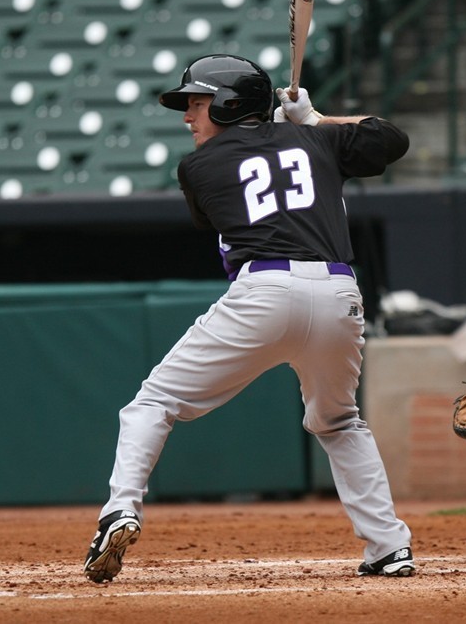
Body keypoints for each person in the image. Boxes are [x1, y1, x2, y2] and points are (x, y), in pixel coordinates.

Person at [83, 54, 414, 582]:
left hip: (263, 292)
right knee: (339, 420)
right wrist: (313, 120)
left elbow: (233, 193)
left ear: (230, 104)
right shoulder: (317, 141)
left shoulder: (198, 167)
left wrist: (289, 134)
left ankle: (120, 509)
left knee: (155, 402)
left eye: (198, 103)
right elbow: (389, 138)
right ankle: (389, 547)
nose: (188, 116)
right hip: (338, 293)